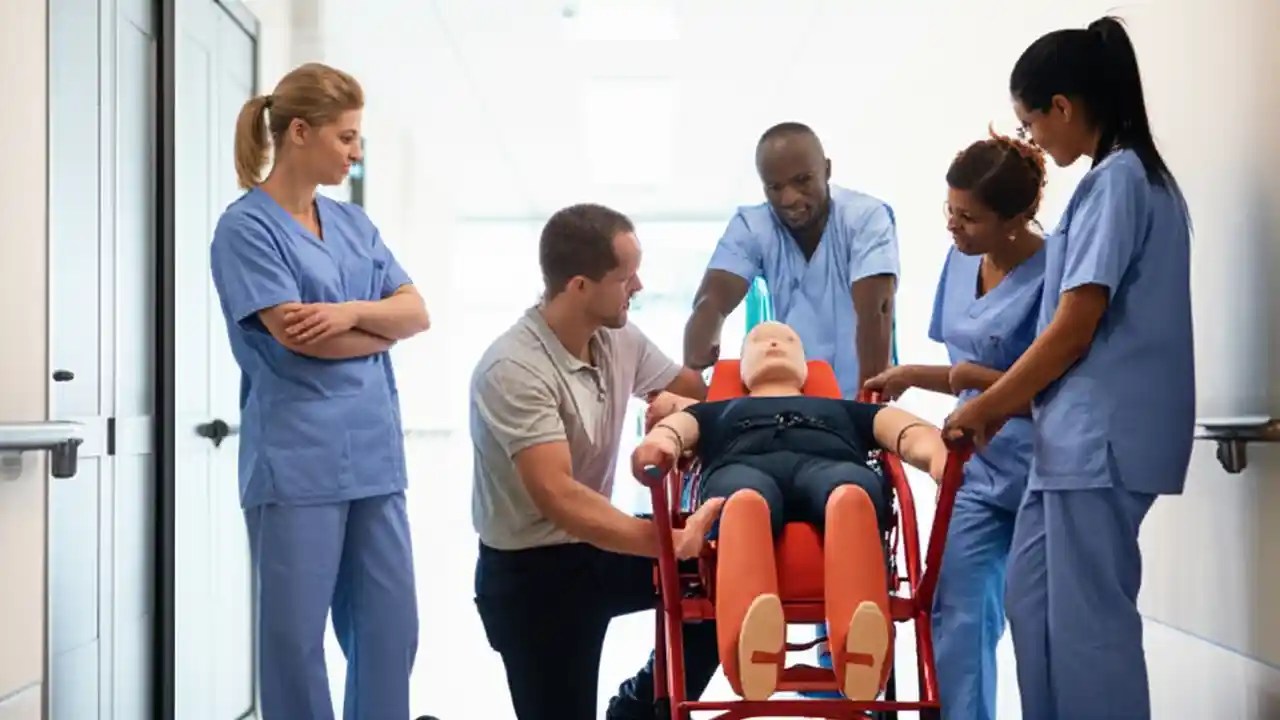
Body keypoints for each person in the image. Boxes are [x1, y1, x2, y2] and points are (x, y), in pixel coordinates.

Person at [943, 16, 1195, 720]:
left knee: (1088, 631)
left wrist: (988, 404)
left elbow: (1073, 329)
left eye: (1031, 123)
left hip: (1100, 442)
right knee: (1032, 608)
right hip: (1067, 445)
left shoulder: (1120, 181)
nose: (1032, 140)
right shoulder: (1116, 182)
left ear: (1062, 106)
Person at [210, 63, 433, 720]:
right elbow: (301, 338)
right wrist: (378, 327)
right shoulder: (246, 229)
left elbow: (416, 312)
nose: (355, 152)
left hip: (374, 458)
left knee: (391, 632)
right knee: (295, 644)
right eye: (346, 136)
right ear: (300, 132)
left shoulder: (354, 224)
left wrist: (347, 313)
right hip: (297, 462)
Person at [468, 203, 725, 720]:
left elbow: (698, 393)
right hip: (532, 576)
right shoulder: (513, 369)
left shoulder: (617, 337)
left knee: (729, 574)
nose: (639, 286)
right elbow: (559, 498)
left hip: (595, 549)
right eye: (626, 277)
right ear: (580, 286)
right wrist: (668, 543)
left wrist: (739, 398)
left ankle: (635, 712)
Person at [635, 322, 949, 703]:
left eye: (788, 340)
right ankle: (749, 647)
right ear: (740, 368)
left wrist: (938, 458)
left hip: (832, 469)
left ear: (806, 366)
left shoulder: (846, 409)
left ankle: (858, 646)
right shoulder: (715, 411)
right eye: (758, 340)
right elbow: (673, 431)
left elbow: (907, 430)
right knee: (743, 504)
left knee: (851, 499)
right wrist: (660, 444)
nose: (773, 342)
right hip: (741, 472)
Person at [864, 129, 1048, 720]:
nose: (953, 226)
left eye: (968, 217)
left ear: (1014, 220)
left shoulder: (1057, 275)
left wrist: (971, 378)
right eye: (950, 210)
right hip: (975, 471)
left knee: (1040, 625)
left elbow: (1061, 390)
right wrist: (911, 375)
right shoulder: (961, 259)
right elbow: (963, 370)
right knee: (956, 616)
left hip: (1044, 474)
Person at [683, 122, 900, 400]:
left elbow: (877, 309)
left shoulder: (866, 217)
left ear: (827, 170)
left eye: (802, 180)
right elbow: (711, 302)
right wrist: (694, 375)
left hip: (860, 390)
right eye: (774, 187)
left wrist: (869, 401)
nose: (789, 198)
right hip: (788, 396)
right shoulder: (752, 225)